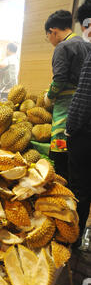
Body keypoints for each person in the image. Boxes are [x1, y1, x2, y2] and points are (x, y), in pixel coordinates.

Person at [44, 9, 91, 180]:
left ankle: (62, 191)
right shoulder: (86, 43)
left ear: (53, 31)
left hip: (67, 106)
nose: (49, 40)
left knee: (61, 157)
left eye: (47, 36)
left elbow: (59, 80)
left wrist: (49, 96)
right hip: (84, 108)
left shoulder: (63, 47)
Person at [66, 0, 91, 253]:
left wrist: (69, 128)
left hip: (85, 135)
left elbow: (83, 98)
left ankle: (73, 238)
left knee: (79, 190)